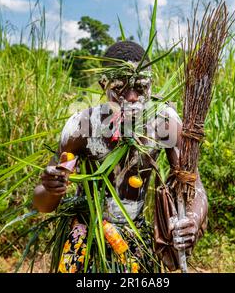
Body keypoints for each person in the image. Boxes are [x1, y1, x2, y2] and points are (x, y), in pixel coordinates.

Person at [33, 40, 208, 273]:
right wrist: (51, 187)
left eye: (140, 86)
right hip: (86, 237)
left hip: (135, 237)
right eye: (121, 87)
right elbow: (43, 204)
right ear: (103, 85)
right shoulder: (82, 127)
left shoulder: (164, 123)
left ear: (151, 84)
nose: (132, 96)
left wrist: (192, 221)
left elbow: (193, 184)